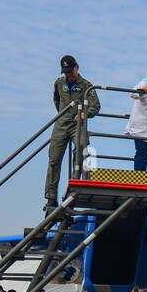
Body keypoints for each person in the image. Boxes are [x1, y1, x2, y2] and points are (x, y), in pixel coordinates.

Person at [45, 55, 101, 210]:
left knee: (81, 149)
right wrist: (63, 114)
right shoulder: (59, 83)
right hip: (61, 124)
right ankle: (51, 197)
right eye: (65, 72)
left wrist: (85, 113)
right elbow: (56, 100)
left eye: (70, 71)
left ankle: (74, 188)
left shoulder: (86, 86)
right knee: (54, 159)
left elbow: (96, 106)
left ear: (77, 67)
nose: (68, 75)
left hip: (77, 124)